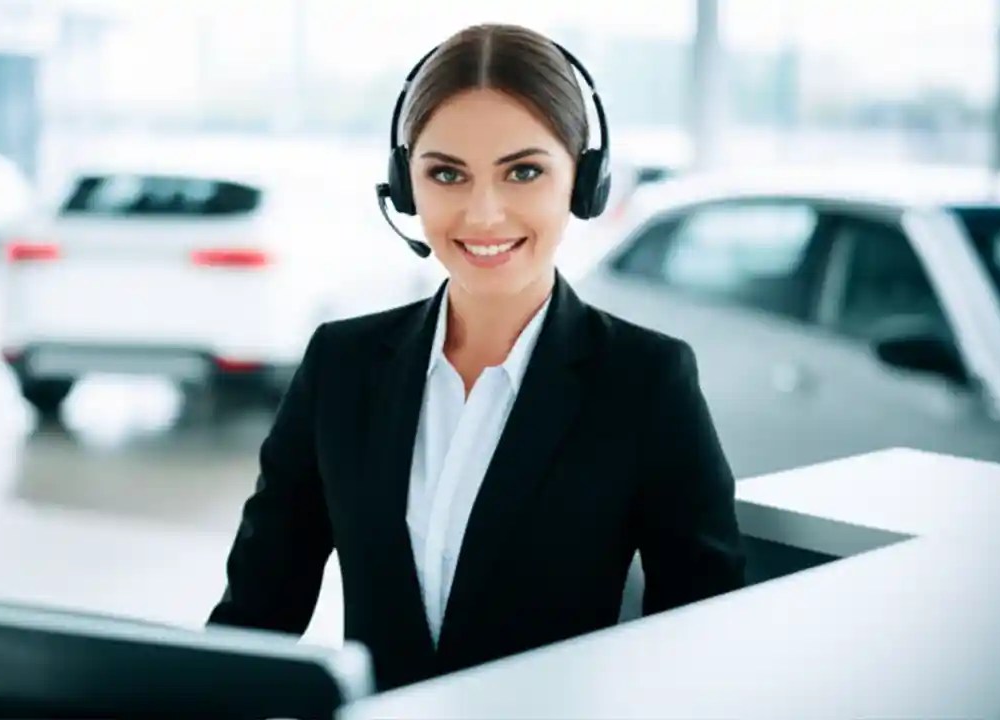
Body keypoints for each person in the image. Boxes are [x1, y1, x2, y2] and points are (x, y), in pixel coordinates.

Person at [207, 22, 746, 692]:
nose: (483, 213)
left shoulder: (645, 383)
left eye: (523, 171)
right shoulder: (340, 367)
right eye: (446, 174)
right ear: (406, 187)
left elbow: (699, 641)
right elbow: (254, 619)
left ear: (584, 180)